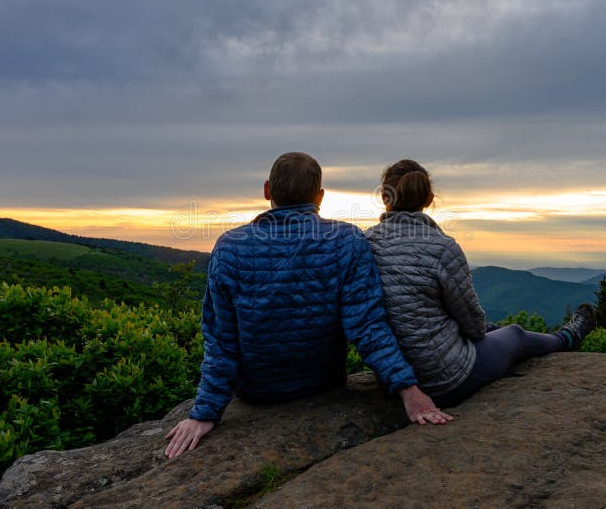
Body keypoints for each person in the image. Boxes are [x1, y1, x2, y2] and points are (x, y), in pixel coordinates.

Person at [165, 152, 452, 458]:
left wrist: (204, 413)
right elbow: (368, 326)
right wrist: (409, 390)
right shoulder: (346, 241)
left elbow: (221, 341)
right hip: (323, 385)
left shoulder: (229, 247)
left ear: (267, 191)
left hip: (258, 392)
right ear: (320, 196)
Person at [364, 159, 597, 409]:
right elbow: (473, 328)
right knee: (515, 334)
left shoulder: (364, 243)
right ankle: (567, 338)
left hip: (392, 381)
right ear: (429, 199)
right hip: (445, 381)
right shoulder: (442, 248)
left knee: (491, 329)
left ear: (384, 196)